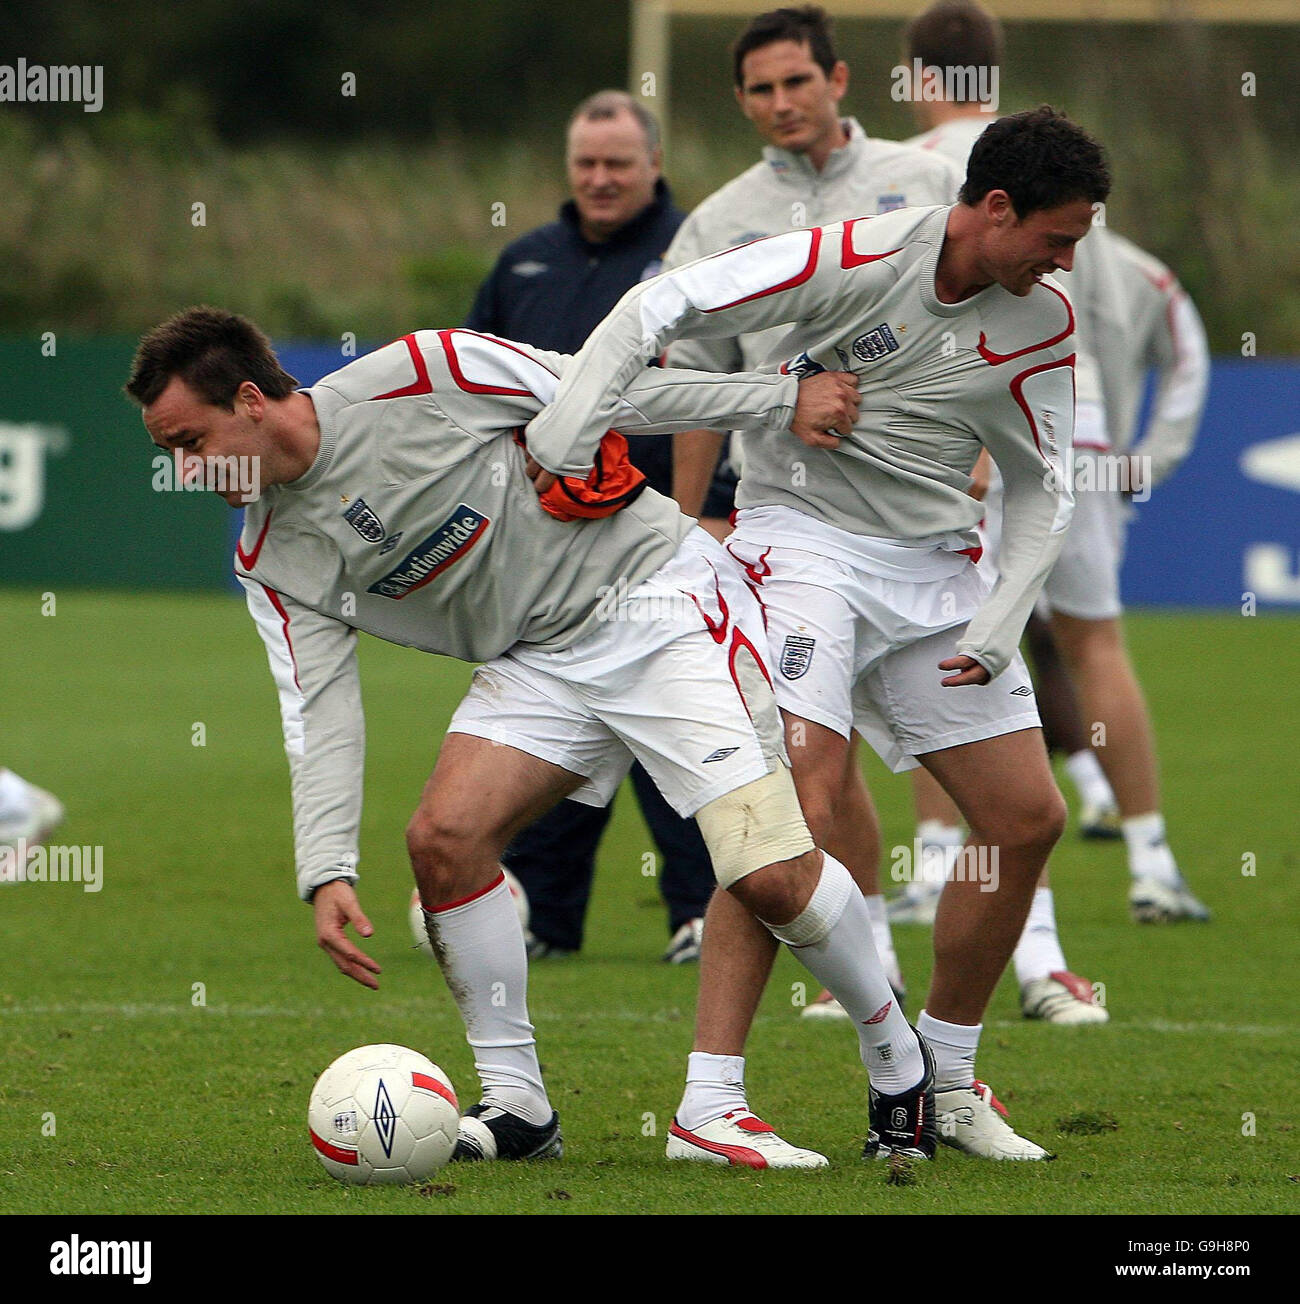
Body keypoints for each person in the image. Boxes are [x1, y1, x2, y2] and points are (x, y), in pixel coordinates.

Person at [125, 306, 937, 1168]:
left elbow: (613, 386)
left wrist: (776, 400)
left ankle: (895, 1061)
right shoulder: (269, 556)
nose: (183, 469)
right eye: (167, 454)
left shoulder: (426, 372)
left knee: (768, 868)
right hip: (540, 658)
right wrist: (326, 869)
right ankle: (519, 1107)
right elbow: (318, 709)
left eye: (191, 441)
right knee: (444, 840)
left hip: (658, 600)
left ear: (251, 400)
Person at [526, 106, 1111, 1161]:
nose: (1068, 261)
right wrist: (569, 430)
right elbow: (663, 301)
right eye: (1056, 237)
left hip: (934, 570)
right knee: (790, 802)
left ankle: (950, 1079)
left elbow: (1040, 487)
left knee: (1025, 820)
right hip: (803, 544)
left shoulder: (1044, 321)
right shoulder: (853, 256)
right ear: (992, 207)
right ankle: (710, 1103)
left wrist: (1000, 614)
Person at [665, 4, 963, 1024]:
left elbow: (982, 322)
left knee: (1003, 787)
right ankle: (866, 959)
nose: (781, 103)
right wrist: (680, 522)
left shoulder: (925, 183)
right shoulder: (718, 220)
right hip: (791, 527)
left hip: (924, 525)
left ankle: (1034, 968)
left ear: (839, 79)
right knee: (810, 764)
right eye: (760, 89)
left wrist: (979, 458)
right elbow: (694, 377)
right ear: (742, 101)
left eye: (797, 81)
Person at [901, 0, 1211, 929]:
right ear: (993, 72)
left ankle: (933, 866)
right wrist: (1134, 451)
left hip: (977, 430)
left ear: (916, 78)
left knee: (940, 632)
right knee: (1097, 643)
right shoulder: (1062, 173)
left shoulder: (914, 170)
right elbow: (1140, 305)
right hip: (1074, 426)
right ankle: (1152, 860)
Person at [465, 89, 710, 964]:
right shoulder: (523, 263)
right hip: (542, 547)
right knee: (552, 717)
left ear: (654, 165)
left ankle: (700, 913)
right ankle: (541, 917)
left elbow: (722, 390)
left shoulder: (695, 256)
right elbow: (471, 388)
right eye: (586, 164)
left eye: (618, 163)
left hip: (655, 539)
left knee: (668, 728)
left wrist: (703, 515)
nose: (601, 179)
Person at [0, 769, 63, 878]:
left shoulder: (11, 792)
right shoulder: (8, 782)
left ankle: (19, 856)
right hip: (39, 810)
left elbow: (15, 809)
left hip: (31, 815)